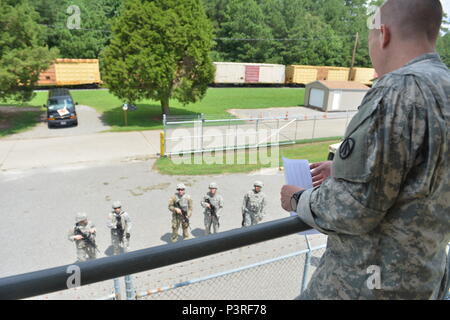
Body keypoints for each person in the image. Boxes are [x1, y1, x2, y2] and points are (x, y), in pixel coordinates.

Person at [281, 0, 450, 300]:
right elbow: (425, 175)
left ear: (382, 34)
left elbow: (350, 211)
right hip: (426, 281)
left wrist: (297, 198)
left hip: (365, 285)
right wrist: (347, 172)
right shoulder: (444, 86)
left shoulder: (394, 91)